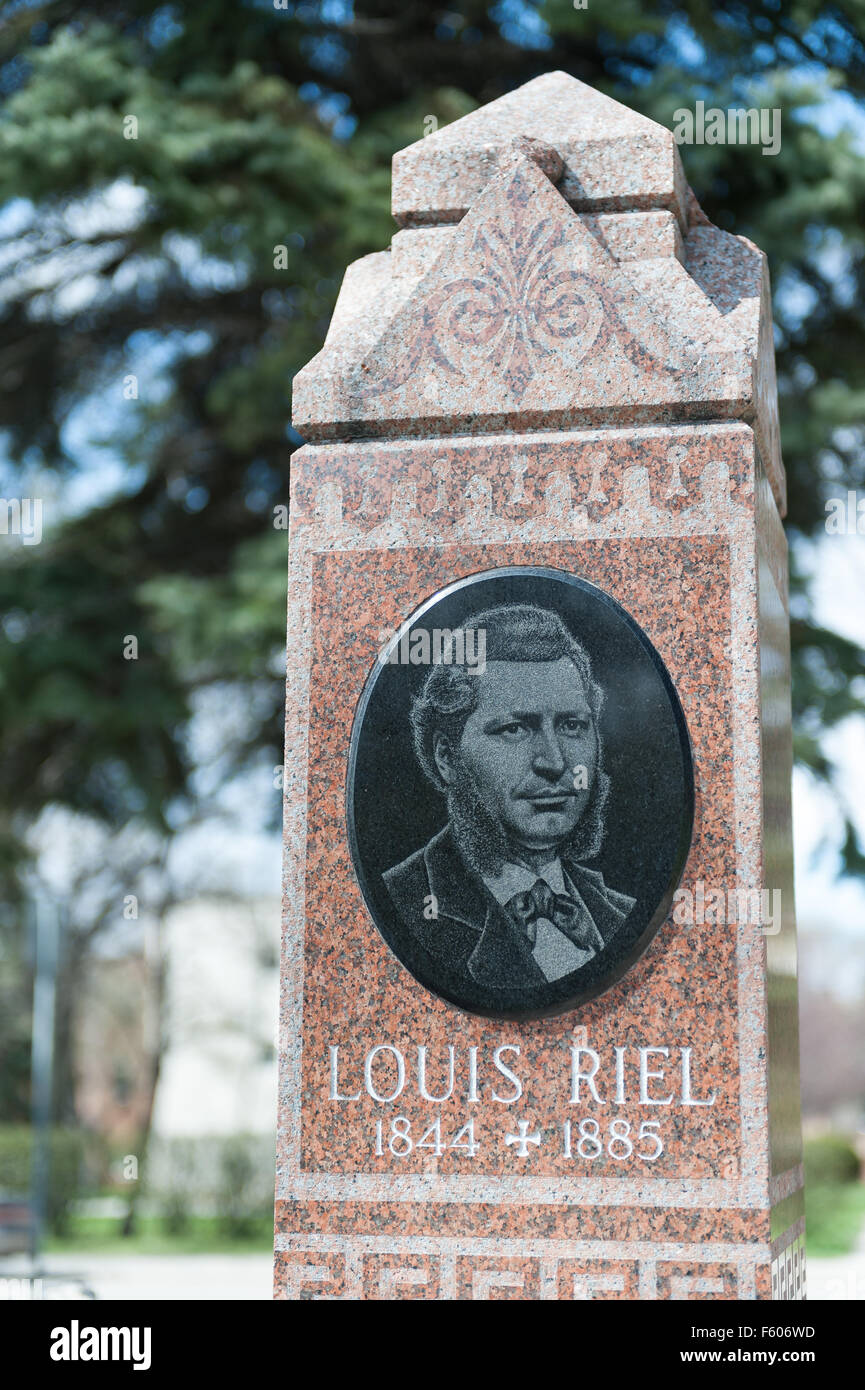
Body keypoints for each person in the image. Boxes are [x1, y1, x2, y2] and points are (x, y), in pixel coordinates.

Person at [383, 603, 635, 991]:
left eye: (572, 726)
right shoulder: (401, 903)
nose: (554, 762)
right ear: (447, 758)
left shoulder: (621, 914)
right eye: (515, 729)